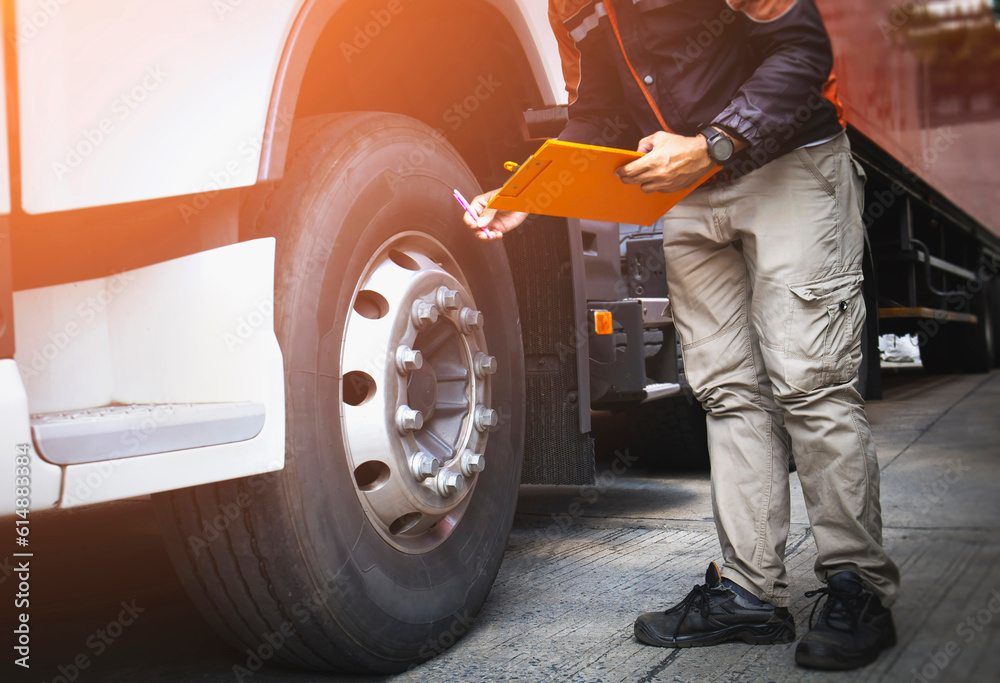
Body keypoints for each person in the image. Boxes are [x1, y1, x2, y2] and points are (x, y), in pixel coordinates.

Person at [463, 0, 901, 671]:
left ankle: (857, 587)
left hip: (787, 165)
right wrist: (527, 192)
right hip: (690, 193)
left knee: (810, 383)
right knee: (727, 391)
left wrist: (712, 144)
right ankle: (753, 593)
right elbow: (602, 105)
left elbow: (802, 51)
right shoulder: (574, 4)